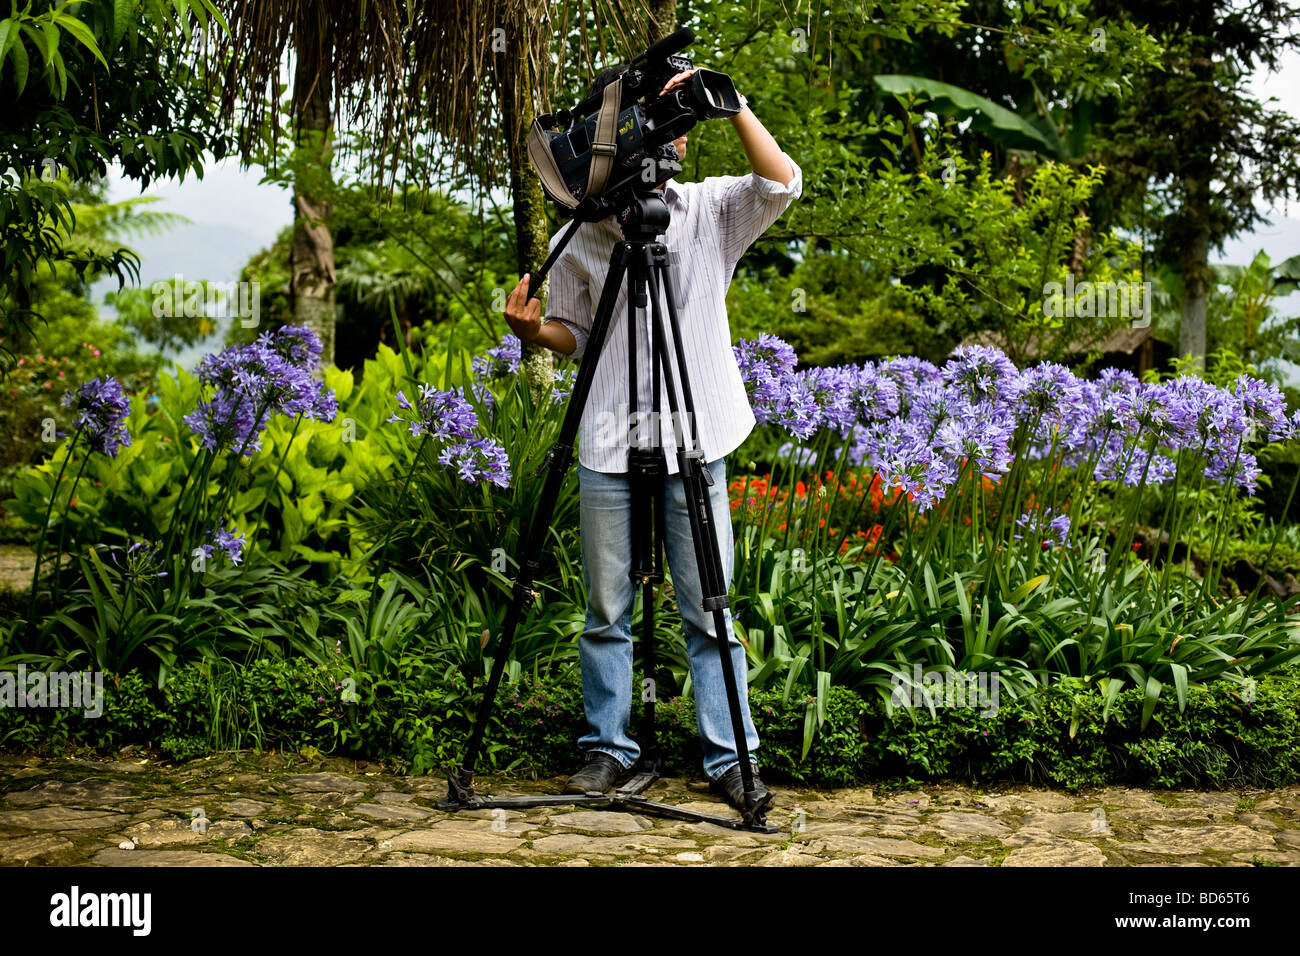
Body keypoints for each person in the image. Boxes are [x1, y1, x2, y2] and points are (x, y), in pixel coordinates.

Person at [503, 63, 802, 814]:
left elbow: (782, 182)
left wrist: (731, 104)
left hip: (695, 431)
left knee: (711, 606)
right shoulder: (583, 231)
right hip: (608, 433)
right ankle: (607, 749)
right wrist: (532, 331)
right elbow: (573, 331)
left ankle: (732, 756)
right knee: (606, 609)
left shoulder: (707, 211)